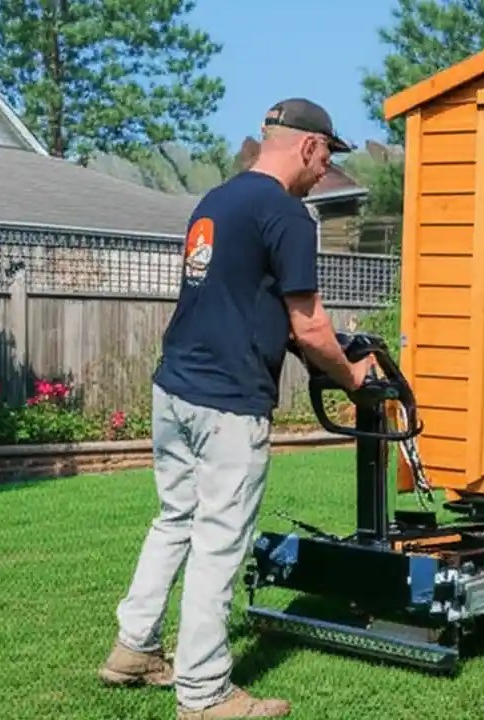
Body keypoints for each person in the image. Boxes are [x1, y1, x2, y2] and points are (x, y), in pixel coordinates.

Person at [98, 98, 376, 719]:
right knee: (220, 541)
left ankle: (133, 648)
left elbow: (240, 297)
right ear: (306, 146)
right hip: (228, 402)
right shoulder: (287, 214)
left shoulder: (216, 202)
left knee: (175, 519)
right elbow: (309, 326)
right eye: (327, 155)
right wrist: (353, 373)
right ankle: (204, 694)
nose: (325, 169)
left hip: (174, 388)